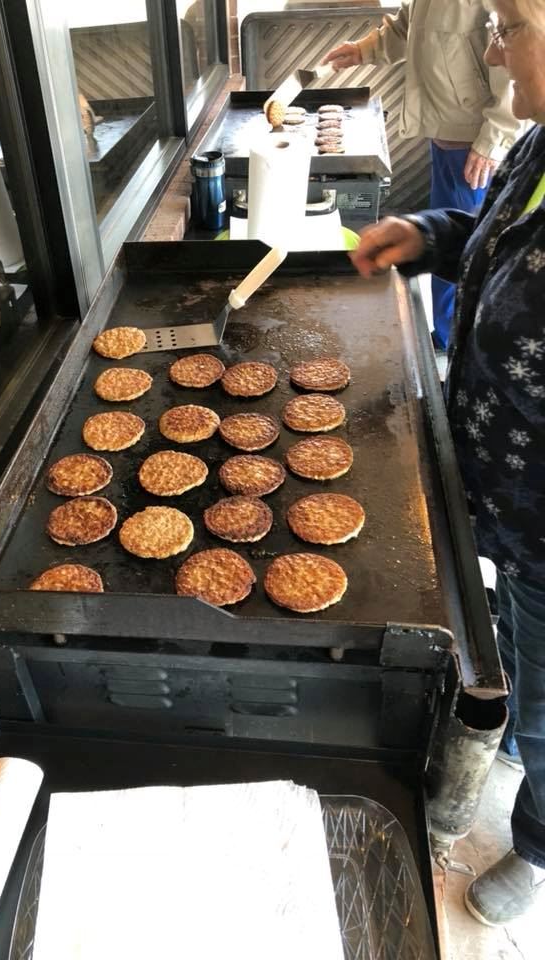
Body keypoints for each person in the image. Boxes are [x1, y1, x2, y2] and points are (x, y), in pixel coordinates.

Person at [349, 0, 545, 926]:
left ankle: (540, 842)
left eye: (512, 26)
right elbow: (492, 239)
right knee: (511, 627)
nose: (495, 47)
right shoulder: (539, 146)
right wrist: (428, 234)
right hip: (506, 491)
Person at [323, 1, 521, 350]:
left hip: (474, 143)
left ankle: (460, 338)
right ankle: (445, 335)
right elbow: (404, 28)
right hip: (444, 132)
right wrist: (362, 50)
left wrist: (493, 140)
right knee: (446, 238)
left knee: (475, 246)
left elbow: (512, 66)